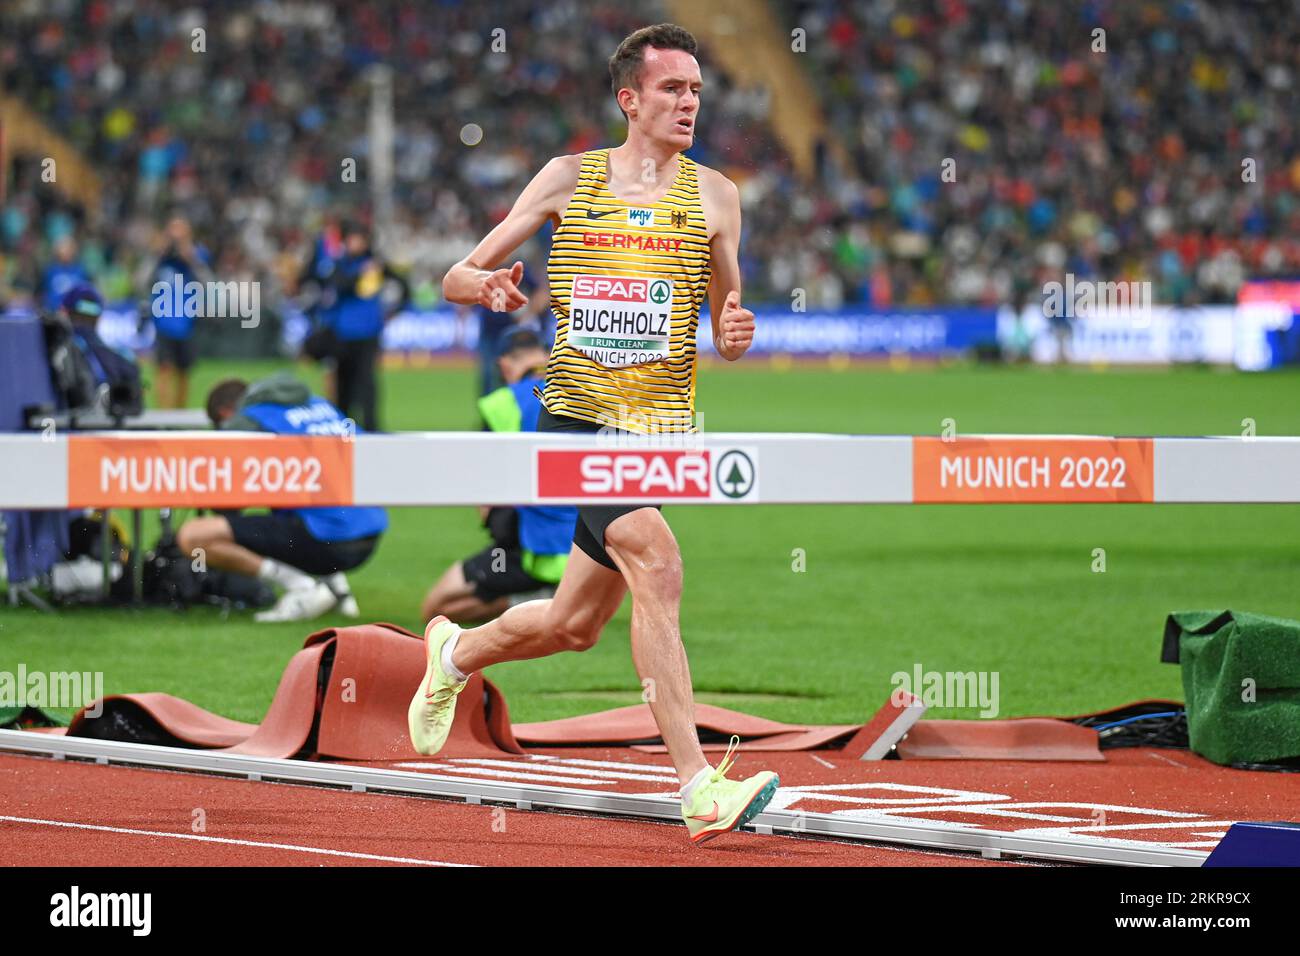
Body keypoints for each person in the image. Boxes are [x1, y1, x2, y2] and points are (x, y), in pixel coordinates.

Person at [411, 23, 775, 844]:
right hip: (574, 417)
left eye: (696, 91)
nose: (689, 103)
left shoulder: (719, 196)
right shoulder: (568, 178)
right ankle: (697, 788)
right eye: (673, 89)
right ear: (630, 99)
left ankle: (454, 654)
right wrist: (487, 287)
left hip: (658, 432)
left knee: (574, 625)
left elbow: (725, 312)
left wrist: (735, 326)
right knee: (659, 559)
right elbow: (454, 275)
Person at [176, 373, 387, 623]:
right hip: (370, 531)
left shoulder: (248, 421)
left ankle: (303, 589)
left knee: (194, 536)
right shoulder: (319, 404)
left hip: (327, 538)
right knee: (295, 511)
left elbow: (225, 500)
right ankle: (337, 590)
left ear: (224, 415)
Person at [421, 324, 578, 624]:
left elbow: (482, 484)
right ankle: (555, 595)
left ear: (504, 364)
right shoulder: (582, 397)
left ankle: (529, 599)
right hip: (589, 552)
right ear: (546, 355)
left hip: (533, 549)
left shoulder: (500, 404)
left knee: (435, 609)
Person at [320, 220, 408, 432]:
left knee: (367, 383)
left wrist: (395, 311)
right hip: (343, 333)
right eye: (352, 239)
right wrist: (362, 273)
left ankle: (371, 428)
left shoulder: (376, 264)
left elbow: (404, 285)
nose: (355, 244)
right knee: (343, 384)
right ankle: (343, 428)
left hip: (368, 332)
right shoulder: (339, 264)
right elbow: (338, 285)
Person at [145, 214, 212, 409]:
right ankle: (163, 414)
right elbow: (141, 281)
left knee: (184, 373)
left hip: (187, 322)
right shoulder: (160, 259)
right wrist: (157, 254)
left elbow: (208, 283)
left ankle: (179, 413)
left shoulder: (197, 255)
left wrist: (191, 258)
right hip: (163, 321)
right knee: (163, 369)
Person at [473, 261, 549, 397]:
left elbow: (539, 293)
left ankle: (509, 403)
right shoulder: (487, 272)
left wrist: (529, 312)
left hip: (509, 334)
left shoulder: (519, 270)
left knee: (512, 372)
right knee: (490, 373)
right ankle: (490, 408)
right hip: (493, 333)